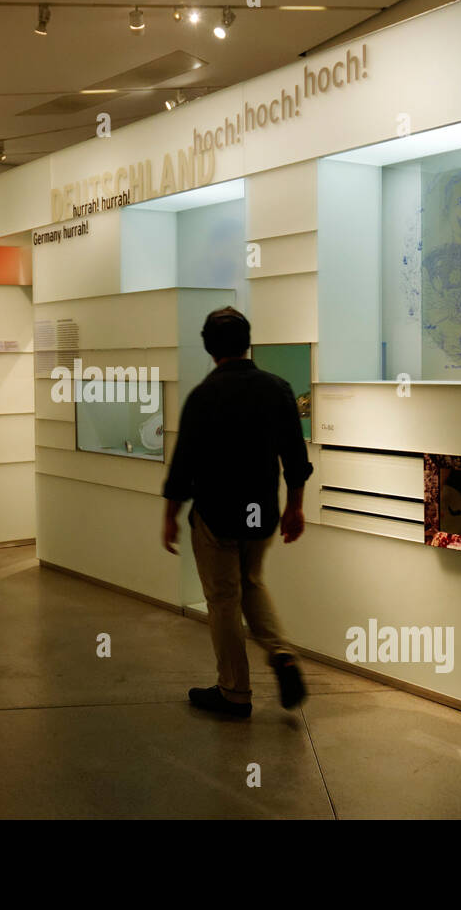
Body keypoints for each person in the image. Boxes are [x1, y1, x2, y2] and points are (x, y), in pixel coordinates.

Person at [162, 307, 313, 718]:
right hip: (260, 511)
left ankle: (234, 691)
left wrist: (170, 515)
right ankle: (281, 654)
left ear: (210, 348)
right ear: (247, 342)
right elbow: (295, 457)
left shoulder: (204, 396)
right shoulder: (278, 389)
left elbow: (184, 464)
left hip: (216, 514)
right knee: (251, 583)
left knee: (224, 599)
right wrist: (295, 508)